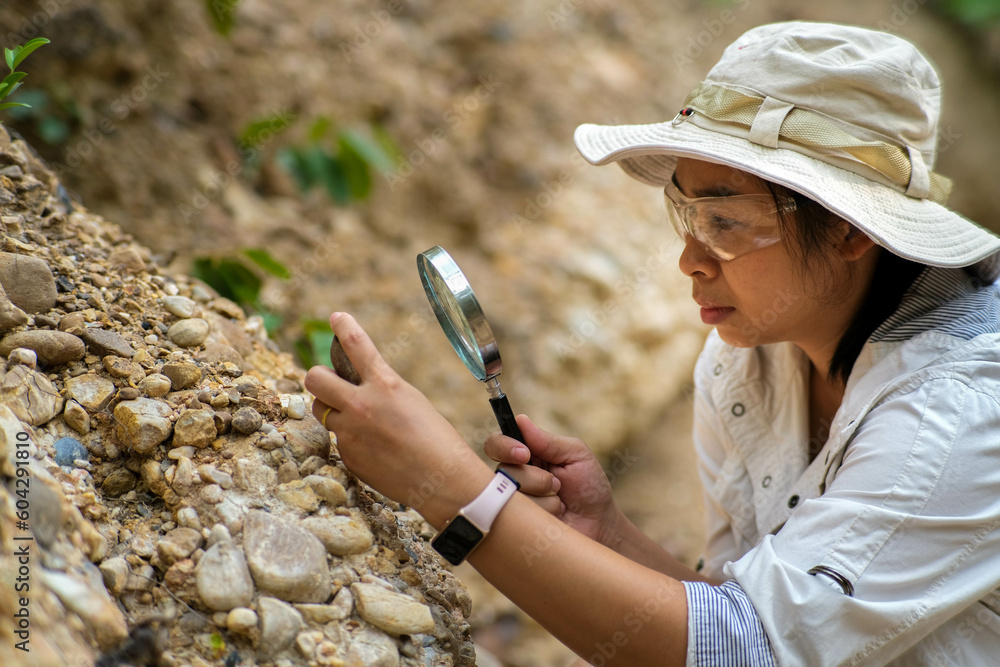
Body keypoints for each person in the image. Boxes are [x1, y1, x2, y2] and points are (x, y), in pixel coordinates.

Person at [305, 21, 1000, 666]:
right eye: (687, 213)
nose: (690, 260)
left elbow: (750, 650)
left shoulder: (959, 411)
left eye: (726, 221)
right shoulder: (745, 362)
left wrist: (458, 492)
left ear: (852, 230)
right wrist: (608, 533)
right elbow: (744, 609)